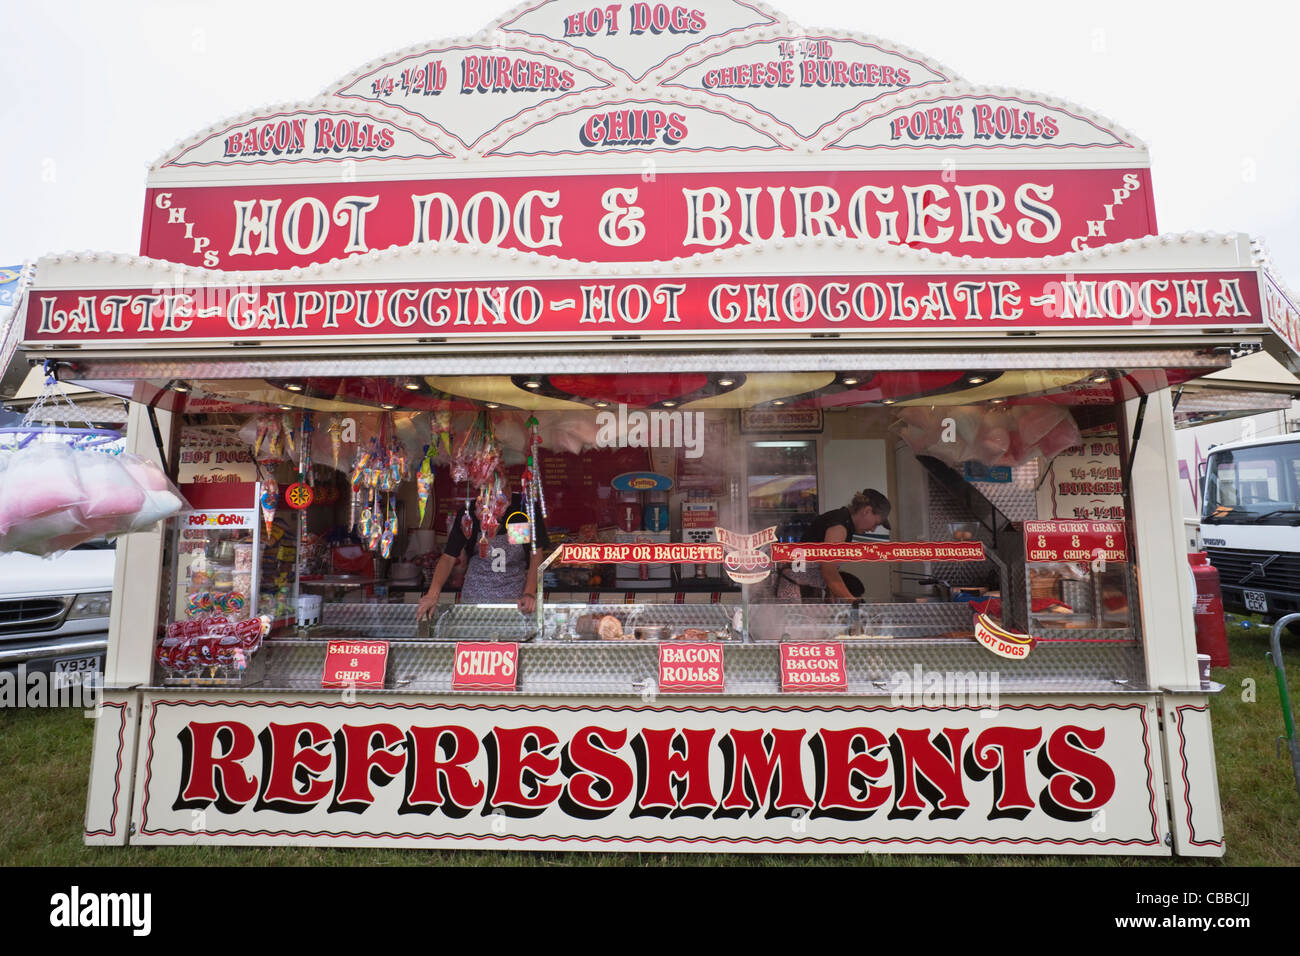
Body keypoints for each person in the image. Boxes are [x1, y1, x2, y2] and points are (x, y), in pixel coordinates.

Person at [416, 490, 549, 621]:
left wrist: (529, 592)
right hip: (474, 598)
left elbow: (535, 555)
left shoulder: (520, 511)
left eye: (503, 489)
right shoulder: (469, 515)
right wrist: (433, 594)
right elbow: (449, 557)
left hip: (514, 599)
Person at [777, 488, 891, 602]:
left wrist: (831, 591)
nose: (873, 529)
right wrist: (853, 601)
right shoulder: (839, 527)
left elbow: (826, 569)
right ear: (867, 511)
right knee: (796, 620)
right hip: (794, 588)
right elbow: (829, 571)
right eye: (876, 523)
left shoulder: (844, 522)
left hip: (806, 587)